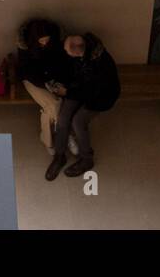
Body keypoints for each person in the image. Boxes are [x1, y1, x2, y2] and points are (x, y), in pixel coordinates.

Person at [45, 33, 120, 181]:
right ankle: (60, 156)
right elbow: (76, 76)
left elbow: (93, 91)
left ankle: (87, 159)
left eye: (67, 51)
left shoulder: (101, 64)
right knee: (63, 118)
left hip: (100, 97)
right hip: (80, 89)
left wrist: (68, 92)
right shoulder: (81, 52)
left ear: (76, 50)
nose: (65, 52)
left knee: (78, 122)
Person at [16, 18, 69, 154]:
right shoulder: (26, 48)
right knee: (56, 104)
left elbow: (61, 63)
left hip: (52, 80)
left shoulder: (55, 43)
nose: (45, 42)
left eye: (47, 39)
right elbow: (27, 72)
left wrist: (55, 82)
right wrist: (46, 84)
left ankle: (48, 140)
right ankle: (67, 136)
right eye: (41, 40)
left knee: (50, 109)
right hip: (33, 81)